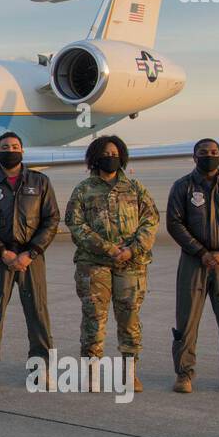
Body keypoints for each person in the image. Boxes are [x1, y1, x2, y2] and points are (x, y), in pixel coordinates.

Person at [64, 135, 158, 393]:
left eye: (115, 153)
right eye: (106, 153)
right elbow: (75, 225)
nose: (111, 157)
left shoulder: (135, 188)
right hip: (94, 265)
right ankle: (91, 372)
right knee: (94, 319)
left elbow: (150, 221)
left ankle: (130, 373)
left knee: (129, 320)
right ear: (95, 157)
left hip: (131, 265)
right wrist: (107, 248)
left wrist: (132, 250)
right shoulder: (83, 190)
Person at [0, 132, 59, 390]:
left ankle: (40, 370)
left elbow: (51, 219)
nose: (10, 150)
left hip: (31, 258)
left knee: (38, 314)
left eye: (15, 146)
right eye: (5, 147)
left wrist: (31, 253)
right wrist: (2, 252)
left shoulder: (40, 182)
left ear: (22, 151)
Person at [165, 139, 219, 394]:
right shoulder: (182, 186)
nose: (209, 156)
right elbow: (174, 223)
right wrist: (201, 252)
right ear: (194, 157)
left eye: (214, 153)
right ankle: (184, 374)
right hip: (194, 262)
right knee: (187, 320)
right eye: (203, 153)